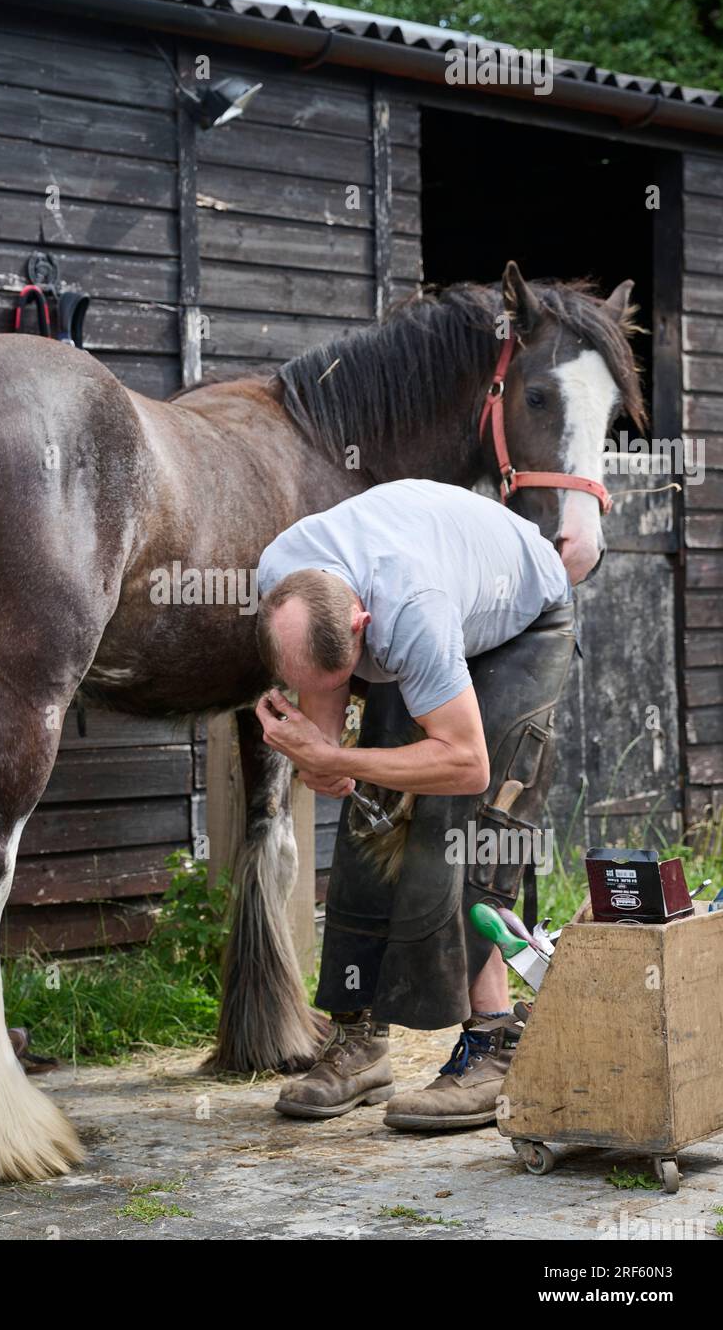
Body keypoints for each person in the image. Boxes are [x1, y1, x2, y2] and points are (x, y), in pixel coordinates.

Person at [254, 478, 576, 1129]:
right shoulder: (280, 574)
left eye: (343, 677)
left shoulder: (411, 614)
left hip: (523, 624)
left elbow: (464, 765)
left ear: (361, 628)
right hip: (424, 600)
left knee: (462, 822)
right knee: (372, 816)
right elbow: (326, 701)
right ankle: (359, 1039)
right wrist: (321, 757)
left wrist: (336, 758)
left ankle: (492, 1045)